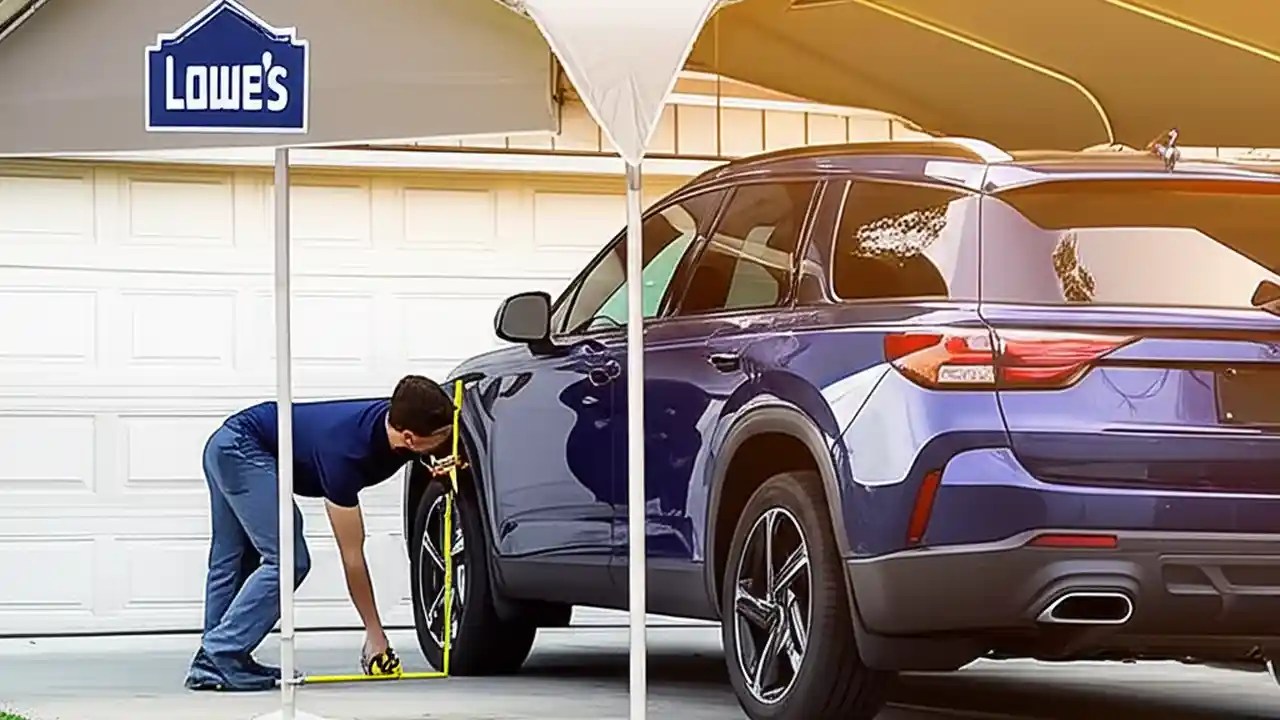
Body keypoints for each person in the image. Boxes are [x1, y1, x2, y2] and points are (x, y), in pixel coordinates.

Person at [185, 374, 457, 691]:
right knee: (288, 560)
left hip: (227, 441)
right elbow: (352, 556)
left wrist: (436, 458)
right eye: (443, 436)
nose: (447, 439)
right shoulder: (346, 456)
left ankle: (214, 659)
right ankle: (221, 653)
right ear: (410, 438)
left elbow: (427, 442)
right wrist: (375, 634)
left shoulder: (398, 417)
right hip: (242, 447)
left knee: (233, 559)